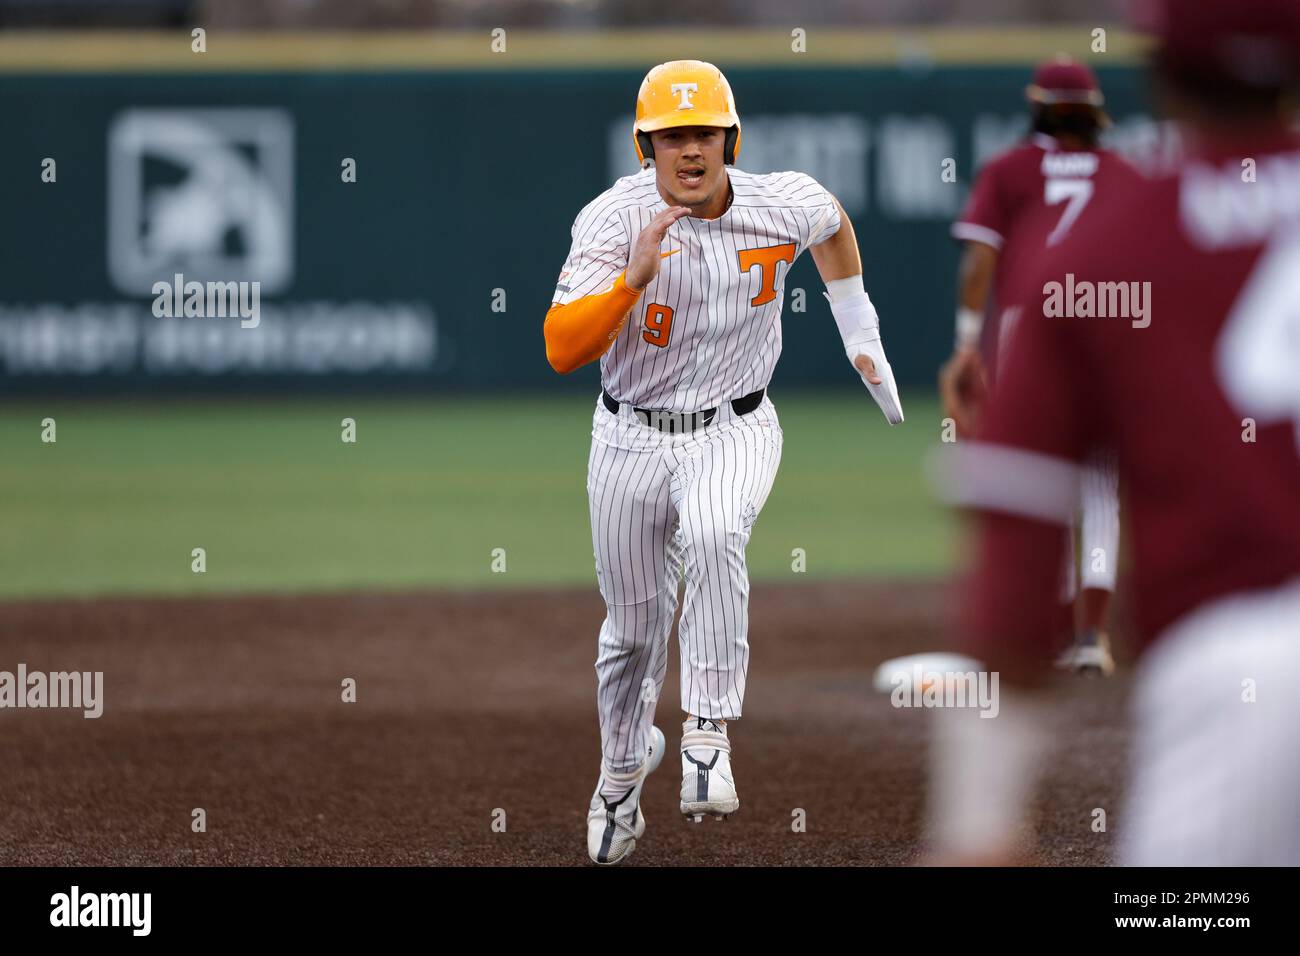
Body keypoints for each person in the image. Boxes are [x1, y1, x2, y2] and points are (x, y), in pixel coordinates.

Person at [929, 0, 1300, 865]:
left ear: (1161, 70)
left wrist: (976, 827)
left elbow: (1015, 558)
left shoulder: (1111, 244)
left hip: (1242, 679)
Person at [544, 59, 903, 864]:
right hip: (629, 436)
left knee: (713, 533)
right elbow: (561, 348)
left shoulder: (781, 203)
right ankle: (620, 776)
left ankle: (706, 728)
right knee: (631, 636)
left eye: (703, 132)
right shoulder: (612, 221)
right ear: (646, 146)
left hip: (736, 426)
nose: (690, 151)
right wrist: (630, 281)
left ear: (730, 139)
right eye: (672, 136)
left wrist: (859, 328)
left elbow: (833, 220)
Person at [941, 56, 1141, 675]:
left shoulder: (1009, 169)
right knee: (1101, 482)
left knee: (1041, 473)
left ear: (1038, 105)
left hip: (1034, 327)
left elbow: (979, 262)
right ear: (1093, 113)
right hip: (1111, 319)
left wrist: (968, 343)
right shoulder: (1126, 173)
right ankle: (1091, 636)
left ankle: (1052, 628)